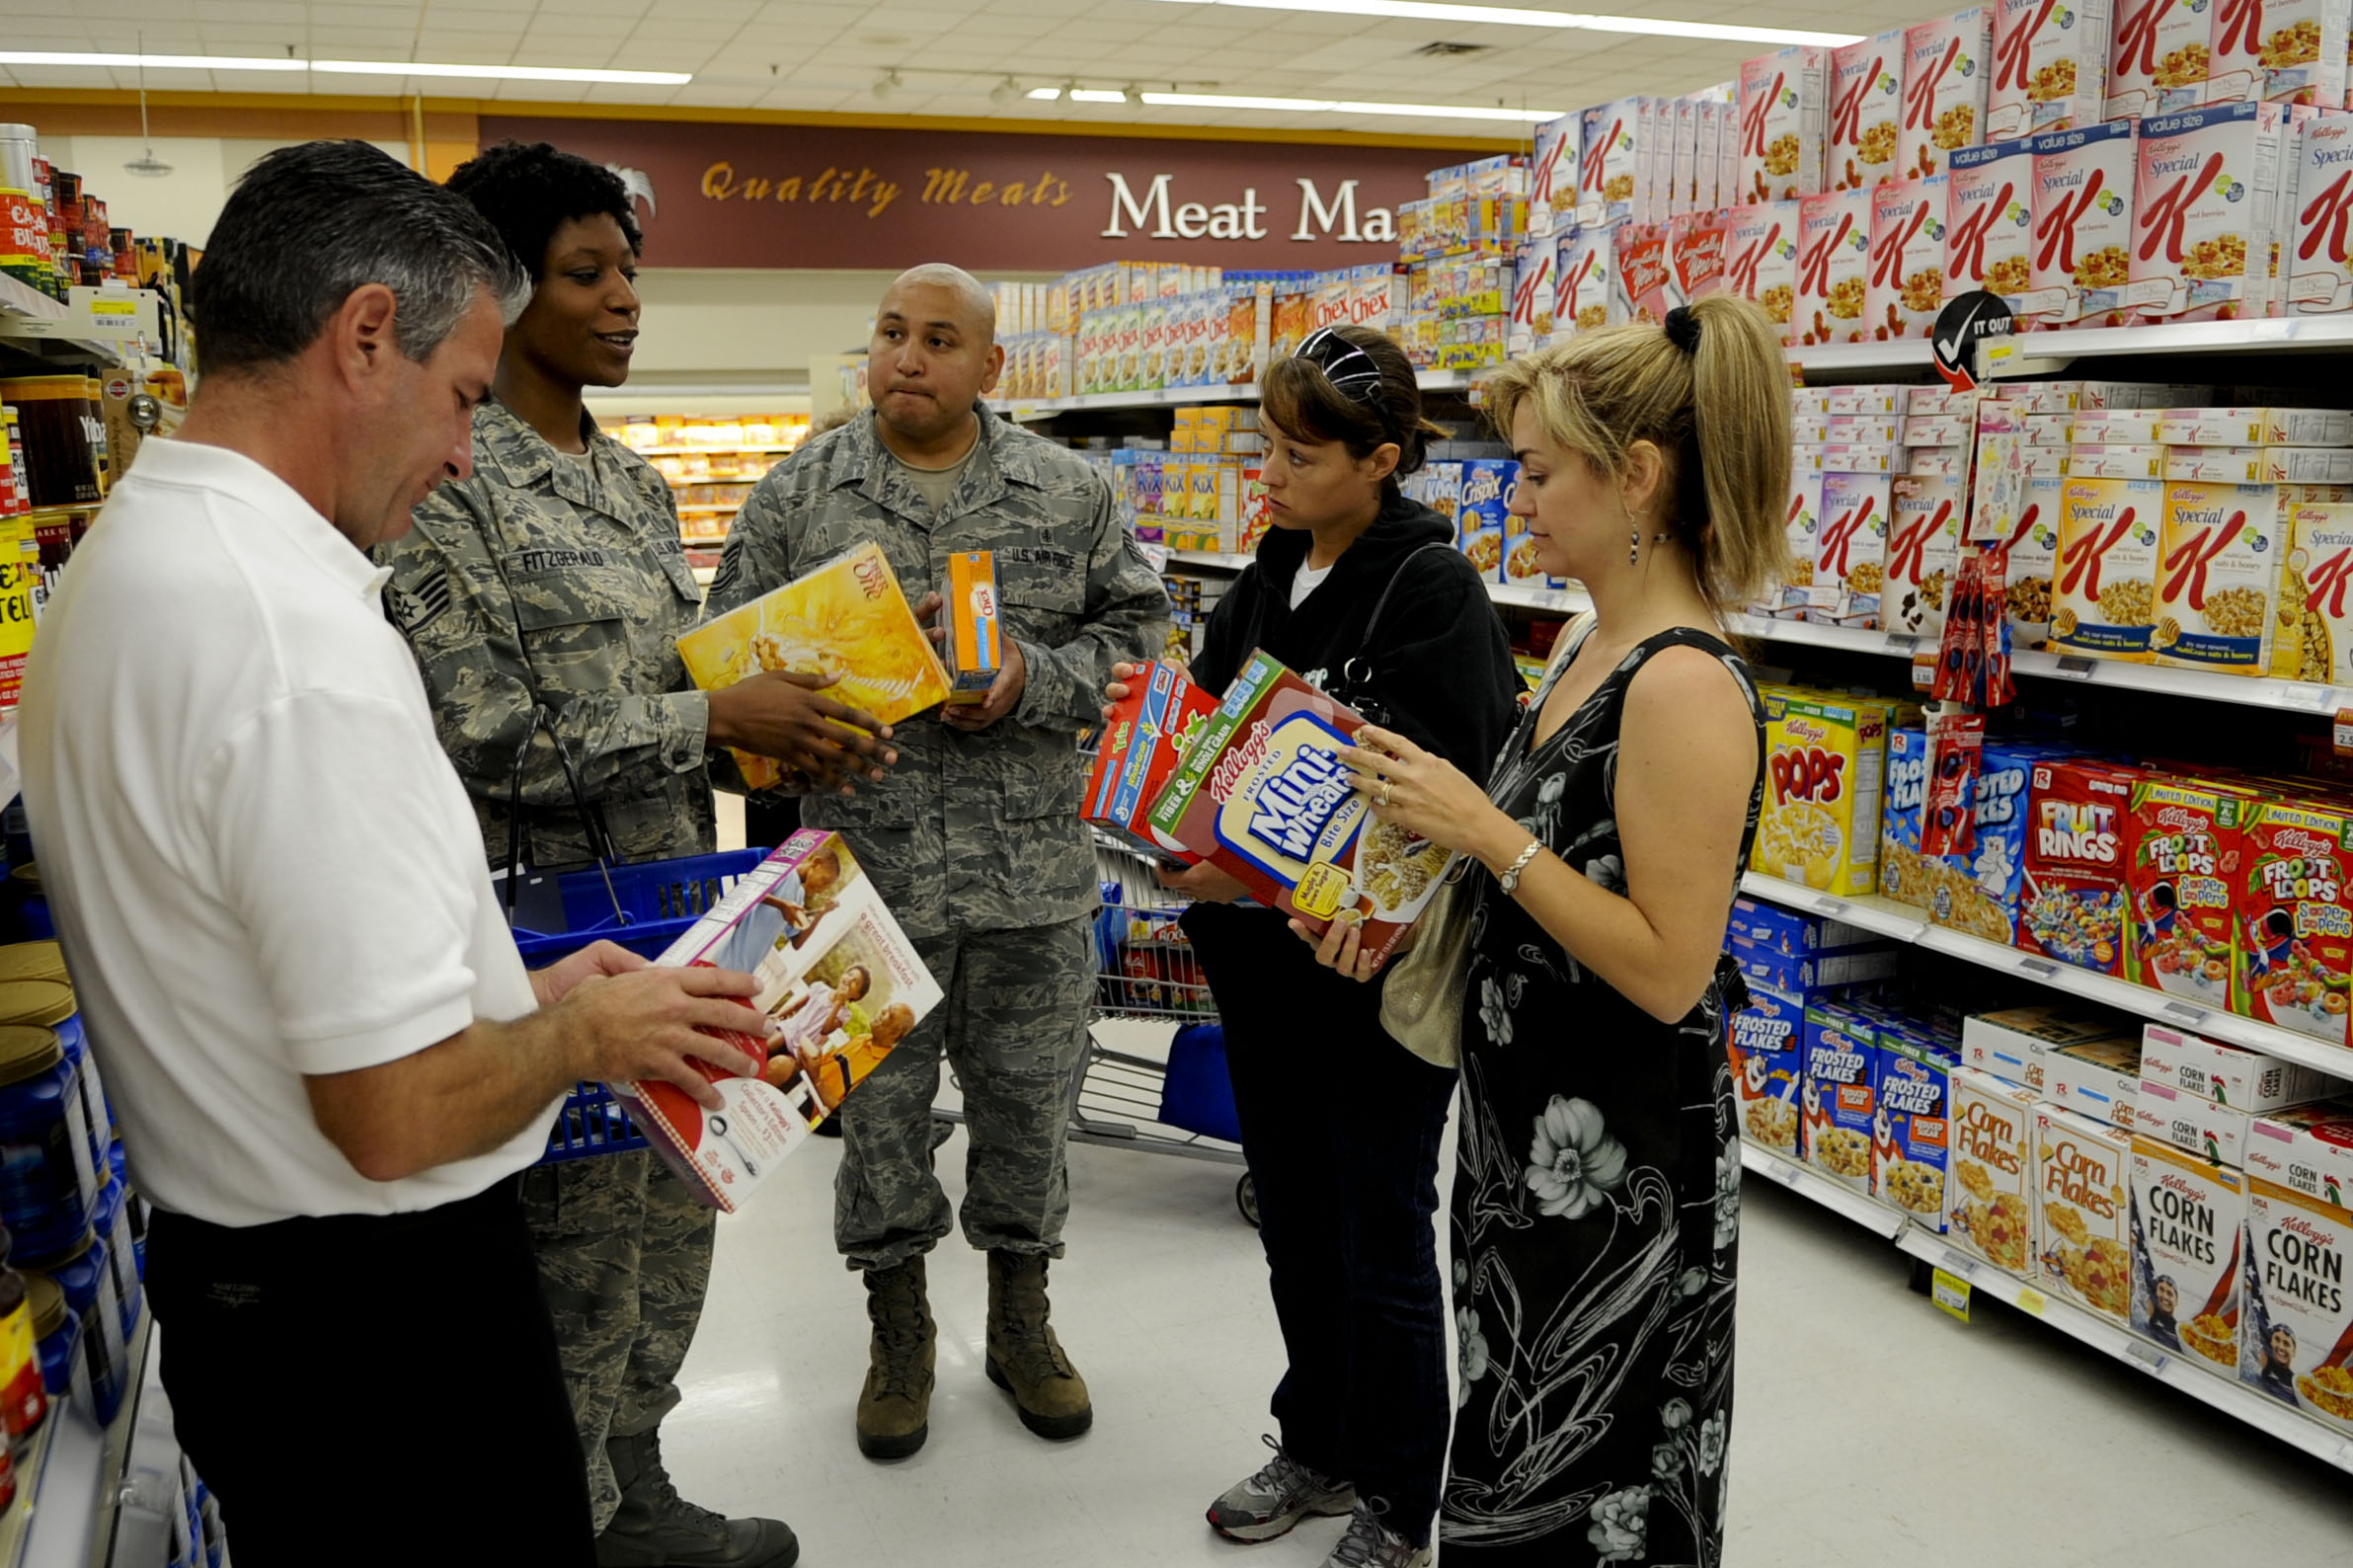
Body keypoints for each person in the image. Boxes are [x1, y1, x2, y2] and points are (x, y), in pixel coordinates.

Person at [14, 139, 771, 1567]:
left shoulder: (134, 561)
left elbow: (253, 968)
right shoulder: (290, 643)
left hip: (250, 1290)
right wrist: (589, 1034)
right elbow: (395, 1116)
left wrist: (520, 1003)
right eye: (462, 396)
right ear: (366, 335)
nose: (466, 452)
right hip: (373, 1319)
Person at [377, 140, 822, 1568]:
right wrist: (710, 713)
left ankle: (636, 1494)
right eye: (589, 274)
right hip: (551, 952)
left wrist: (764, 732)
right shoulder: (451, 481)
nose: (627, 300)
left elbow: (666, 692)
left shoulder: (631, 488)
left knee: (670, 1230)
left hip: (680, 927)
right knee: (566, 1270)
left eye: (631, 268)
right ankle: (557, 1516)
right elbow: (487, 725)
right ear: (502, 294)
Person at [1307, 296, 1790, 1566]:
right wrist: (1403, 877)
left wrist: (1486, 831)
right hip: (1528, 1149)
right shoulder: (1587, 638)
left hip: (1619, 1175)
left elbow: (1669, 967)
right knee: (1515, 1447)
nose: (1514, 498)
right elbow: (1541, 866)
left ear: (1633, 477)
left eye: (1535, 470)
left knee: (1590, 1495)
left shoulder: (1681, 681)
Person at [709, 263, 1168, 1461]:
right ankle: (898, 1331)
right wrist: (773, 705)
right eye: (890, 332)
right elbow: (717, 672)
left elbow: (1140, 648)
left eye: (939, 339)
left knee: (1028, 1116)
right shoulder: (801, 492)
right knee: (876, 1128)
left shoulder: (1067, 494)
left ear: (990, 369)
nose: (907, 356)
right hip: (864, 886)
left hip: (1033, 883)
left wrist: (1033, 678)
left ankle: (1023, 1319)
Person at [1115, 324, 1520, 1568]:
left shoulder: (1429, 588)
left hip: (1369, 977)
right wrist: (1163, 812)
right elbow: (1211, 739)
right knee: (1292, 1214)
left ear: (1380, 459)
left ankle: (1402, 1496)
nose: (1271, 475)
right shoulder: (1268, 570)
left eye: (1298, 453)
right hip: (1259, 962)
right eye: (1267, 447)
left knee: (1380, 1226)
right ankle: (1320, 1440)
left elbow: (1461, 785)